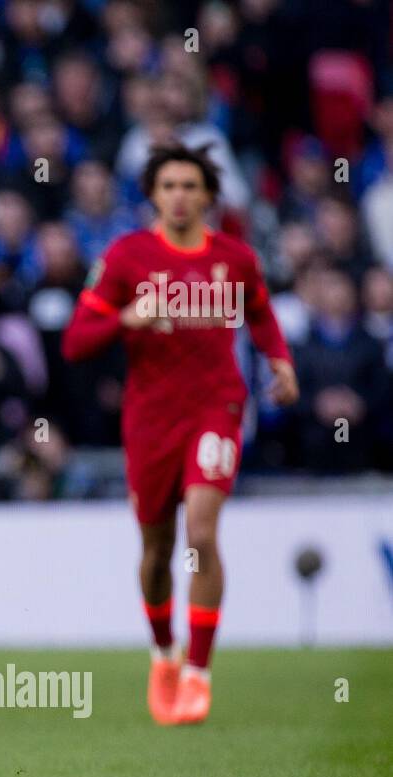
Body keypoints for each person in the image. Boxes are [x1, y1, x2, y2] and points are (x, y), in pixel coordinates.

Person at [62, 143, 299, 725]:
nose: (179, 196)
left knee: (201, 530)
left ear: (209, 196)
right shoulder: (126, 257)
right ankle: (163, 653)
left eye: (190, 186)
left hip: (216, 408)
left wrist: (281, 362)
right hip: (149, 421)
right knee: (156, 551)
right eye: (168, 185)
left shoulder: (236, 258)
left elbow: (262, 312)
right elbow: (74, 342)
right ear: (153, 194)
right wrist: (124, 319)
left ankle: (197, 672)